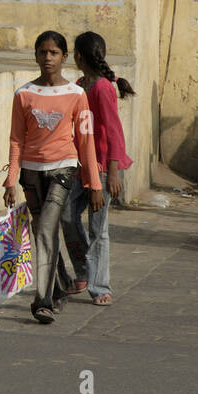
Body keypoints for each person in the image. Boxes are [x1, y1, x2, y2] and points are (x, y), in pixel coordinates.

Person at [4, 30, 102, 324]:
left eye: (54, 53)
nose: (48, 58)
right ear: (36, 55)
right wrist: (11, 178)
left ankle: (42, 300)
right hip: (31, 174)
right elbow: (16, 140)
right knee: (41, 232)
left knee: (46, 229)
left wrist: (94, 183)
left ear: (64, 57)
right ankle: (58, 288)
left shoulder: (76, 94)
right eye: (42, 52)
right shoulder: (23, 94)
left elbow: (86, 140)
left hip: (63, 169)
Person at [63, 31, 133, 307]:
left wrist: (113, 173)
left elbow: (114, 131)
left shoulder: (103, 88)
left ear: (79, 56)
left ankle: (100, 285)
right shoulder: (81, 85)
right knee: (67, 217)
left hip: (103, 168)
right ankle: (83, 271)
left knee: (98, 228)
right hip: (81, 165)